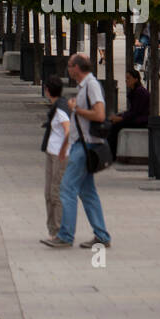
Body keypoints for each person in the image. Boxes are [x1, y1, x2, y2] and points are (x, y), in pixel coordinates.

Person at [42, 53, 111, 249]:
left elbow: (99, 114)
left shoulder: (91, 85)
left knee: (67, 189)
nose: (68, 69)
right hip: (81, 144)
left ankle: (65, 235)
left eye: (70, 65)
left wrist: (76, 109)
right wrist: (65, 146)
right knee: (87, 192)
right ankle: (102, 235)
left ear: (77, 68)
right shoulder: (84, 86)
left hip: (86, 144)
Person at [41, 75, 70, 238]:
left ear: (47, 91)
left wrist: (63, 148)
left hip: (59, 156)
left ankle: (58, 229)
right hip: (51, 153)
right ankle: (52, 228)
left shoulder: (60, 109)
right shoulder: (58, 106)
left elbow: (68, 129)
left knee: (55, 192)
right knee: (49, 192)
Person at [106, 69, 150, 159]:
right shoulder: (135, 91)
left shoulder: (139, 92)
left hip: (142, 121)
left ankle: (112, 154)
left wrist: (121, 118)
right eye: (126, 78)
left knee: (115, 127)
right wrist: (120, 116)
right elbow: (132, 111)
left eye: (128, 78)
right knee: (113, 123)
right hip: (138, 118)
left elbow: (135, 112)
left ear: (136, 79)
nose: (126, 80)